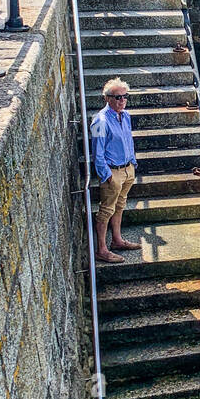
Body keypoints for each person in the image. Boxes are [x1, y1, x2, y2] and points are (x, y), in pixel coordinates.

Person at [90, 77, 140, 264]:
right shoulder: (99, 121)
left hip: (127, 169)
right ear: (107, 98)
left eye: (125, 96)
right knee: (106, 210)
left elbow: (129, 141)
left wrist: (132, 163)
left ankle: (117, 240)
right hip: (112, 172)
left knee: (120, 205)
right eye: (118, 97)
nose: (122, 100)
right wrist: (107, 175)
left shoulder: (125, 116)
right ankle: (102, 249)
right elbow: (97, 152)